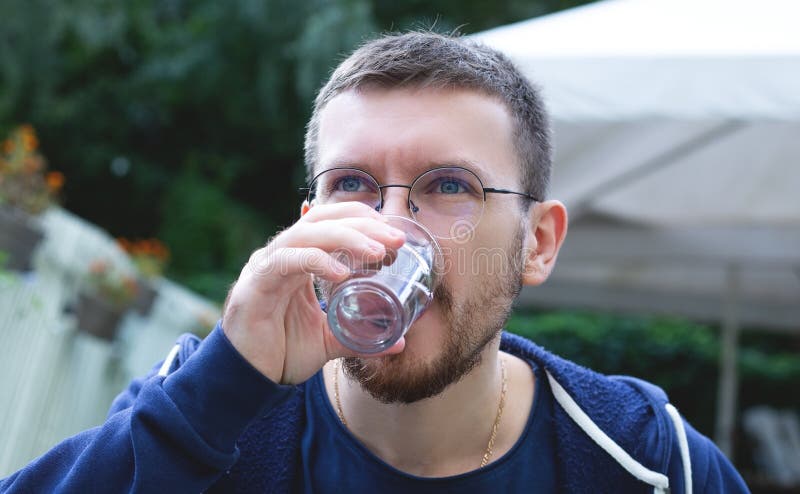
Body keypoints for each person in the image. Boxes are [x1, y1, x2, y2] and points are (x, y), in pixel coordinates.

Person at [1, 31, 748, 493]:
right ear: (309, 226)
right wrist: (225, 383)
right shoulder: (202, 417)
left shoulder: (650, 463)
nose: (389, 231)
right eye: (352, 185)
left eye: (448, 186)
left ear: (539, 242)